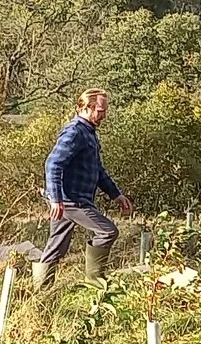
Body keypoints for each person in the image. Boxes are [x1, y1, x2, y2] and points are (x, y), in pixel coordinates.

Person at [41, 88, 134, 277]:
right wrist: (56, 199)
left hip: (68, 201)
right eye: (101, 111)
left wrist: (116, 194)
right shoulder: (75, 131)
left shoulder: (88, 132)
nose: (104, 116)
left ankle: (40, 293)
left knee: (55, 247)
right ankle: (95, 282)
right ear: (86, 107)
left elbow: (97, 171)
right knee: (108, 232)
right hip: (71, 202)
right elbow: (53, 164)